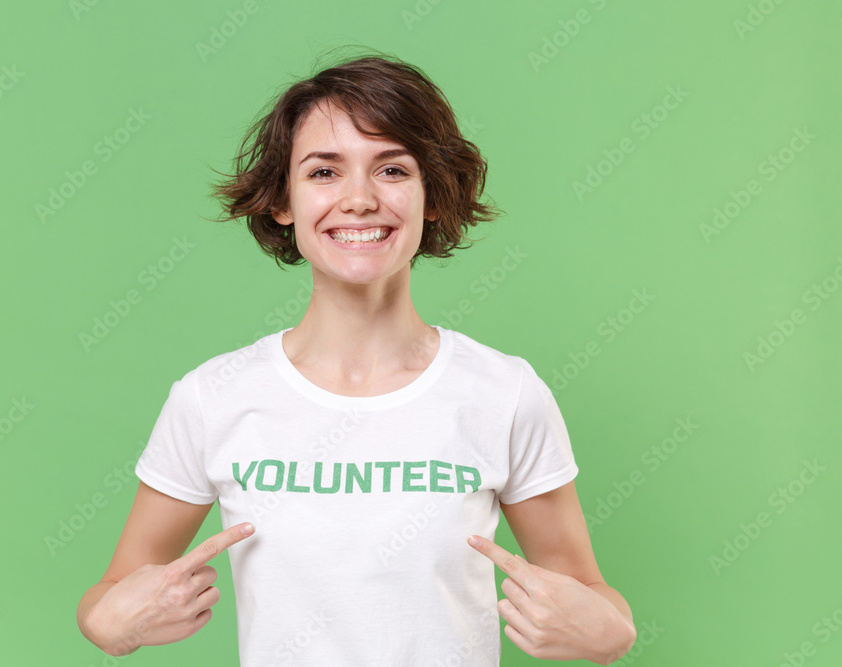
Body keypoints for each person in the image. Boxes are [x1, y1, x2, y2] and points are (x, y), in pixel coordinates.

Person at [76, 49, 636, 666]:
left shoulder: (504, 393)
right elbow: (109, 600)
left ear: (434, 195)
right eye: (324, 172)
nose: (360, 199)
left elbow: (596, 601)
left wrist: (606, 633)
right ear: (282, 201)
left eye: (392, 170)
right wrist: (114, 625)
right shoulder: (214, 397)